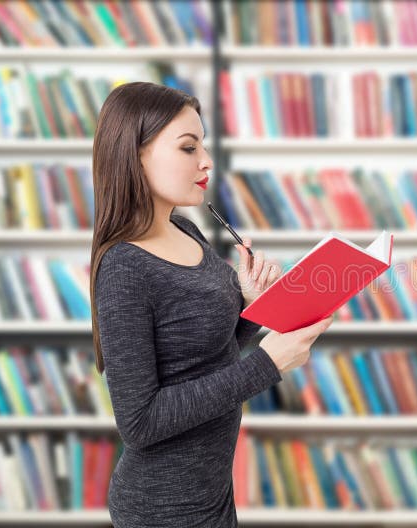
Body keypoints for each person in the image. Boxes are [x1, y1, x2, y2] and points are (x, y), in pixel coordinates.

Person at [89, 81, 332, 527]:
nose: (206, 161)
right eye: (188, 147)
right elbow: (139, 423)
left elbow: (205, 356)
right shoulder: (124, 267)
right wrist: (266, 365)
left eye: (202, 145)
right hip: (163, 511)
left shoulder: (187, 230)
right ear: (135, 154)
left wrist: (252, 310)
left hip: (212, 495)